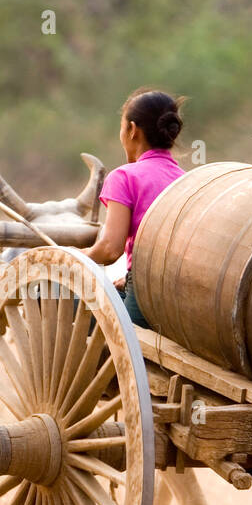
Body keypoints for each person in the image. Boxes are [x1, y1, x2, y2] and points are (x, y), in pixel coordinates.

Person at [85, 88, 186, 329]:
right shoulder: (185, 179)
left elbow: (110, 249)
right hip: (182, 300)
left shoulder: (124, 177)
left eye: (121, 128)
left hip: (143, 303)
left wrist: (75, 257)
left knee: (56, 292)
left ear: (132, 130)